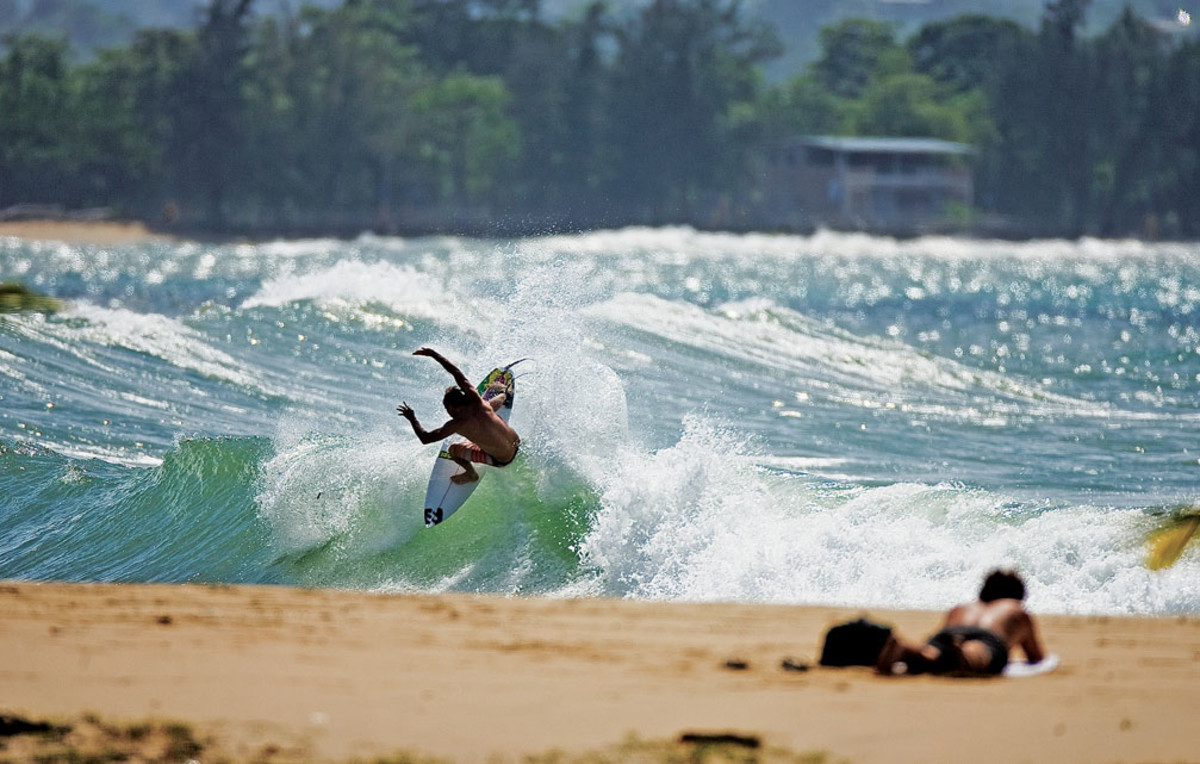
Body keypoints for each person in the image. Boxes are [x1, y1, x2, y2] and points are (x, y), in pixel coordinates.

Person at [876, 569, 1046, 677]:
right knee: (977, 651)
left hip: (949, 634)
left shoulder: (963, 607)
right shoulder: (1015, 608)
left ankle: (906, 649)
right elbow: (1036, 657)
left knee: (932, 653)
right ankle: (963, 655)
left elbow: (945, 632)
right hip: (987, 638)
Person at [397, 347, 520, 485]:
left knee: (453, 450)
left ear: (452, 408)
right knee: (487, 407)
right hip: (516, 442)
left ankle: (471, 474)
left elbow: (426, 438)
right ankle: (504, 394)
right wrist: (433, 354)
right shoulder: (476, 400)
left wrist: (412, 418)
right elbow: (456, 372)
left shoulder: (457, 424)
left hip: (503, 460)